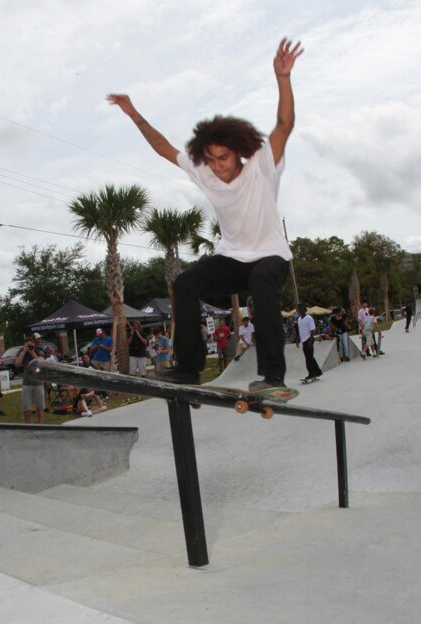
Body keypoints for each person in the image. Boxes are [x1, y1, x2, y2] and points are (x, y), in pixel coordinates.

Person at [108, 36, 304, 396]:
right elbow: (164, 148)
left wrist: (283, 78)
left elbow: (284, 124)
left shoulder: (262, 166)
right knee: (185, 284)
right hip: (232, 257)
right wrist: (135, 115)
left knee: (262, 282)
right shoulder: (205, 171)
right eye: (211, 159)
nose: (217, 167)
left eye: (224, 159)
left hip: (271, 255)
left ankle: (273, 377)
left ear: (239, 153)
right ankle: (188, 369)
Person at [16, 337, 45, 424]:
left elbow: (40, 362)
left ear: (33, 344)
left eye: (30, 344)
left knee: (40, 406)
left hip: (38, 383)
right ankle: (27, 424)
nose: (29, 346)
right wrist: (24, 351)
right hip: (27, 383)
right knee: (26, 407)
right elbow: (17, 363)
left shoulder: (39, 351)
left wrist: (32, 351)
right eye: (27, 344)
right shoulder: (23, 352)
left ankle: (40, 424)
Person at [296, 305, 322, 382]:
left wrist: (310, 342)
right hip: (303, 340)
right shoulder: (299, 319)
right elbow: (300, 330)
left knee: (308, 359)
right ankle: (317, 372)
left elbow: (312, 331)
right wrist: (298, 340)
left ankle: (311, 374)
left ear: (305, 310)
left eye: (301, 309)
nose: (300, 311)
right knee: (310, 357)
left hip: (309, 339)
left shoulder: (309, 318)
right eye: (299, 309)